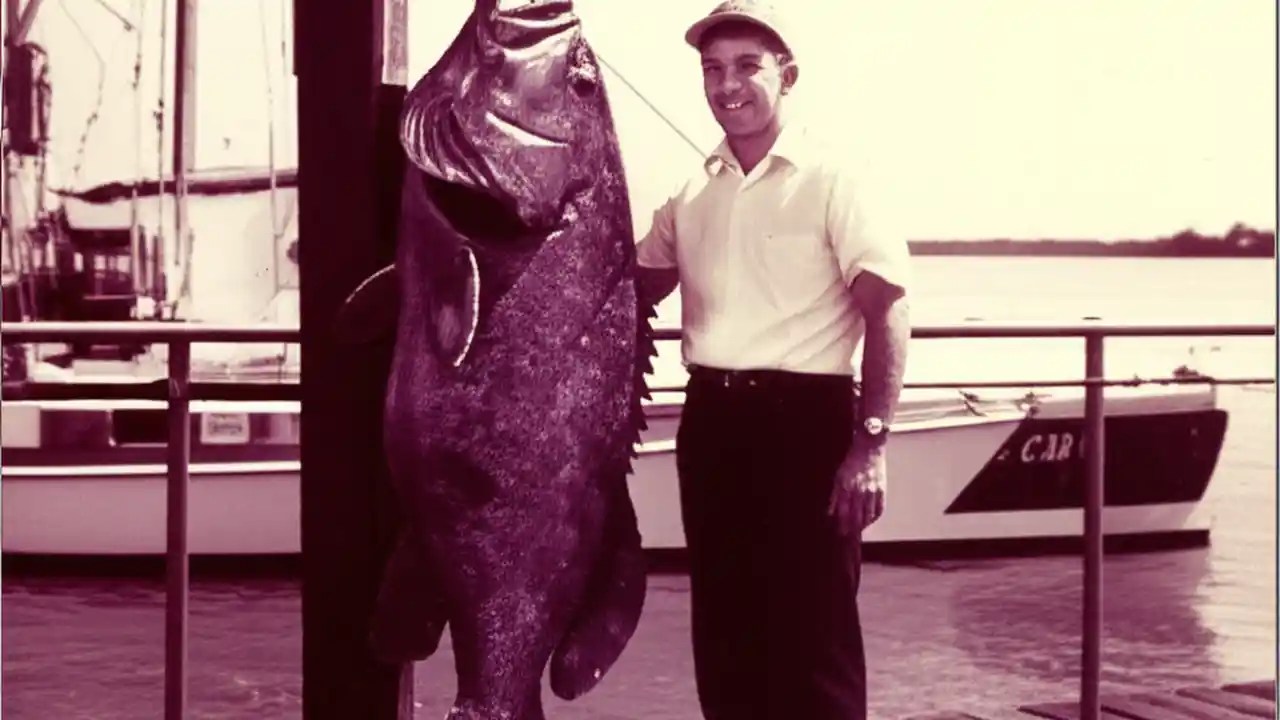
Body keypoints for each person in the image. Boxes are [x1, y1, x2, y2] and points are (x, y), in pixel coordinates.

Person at [634, 1, 912, 718]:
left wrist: (871, 444)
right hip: (713, 426)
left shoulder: (833, 179)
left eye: (746, 67)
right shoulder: (692, 193)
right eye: (711, 69)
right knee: (726, 637)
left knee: (813, 643)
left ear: (787, 75)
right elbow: (625, 291)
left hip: (809, 431)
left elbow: (889, 308)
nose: (727, 85)